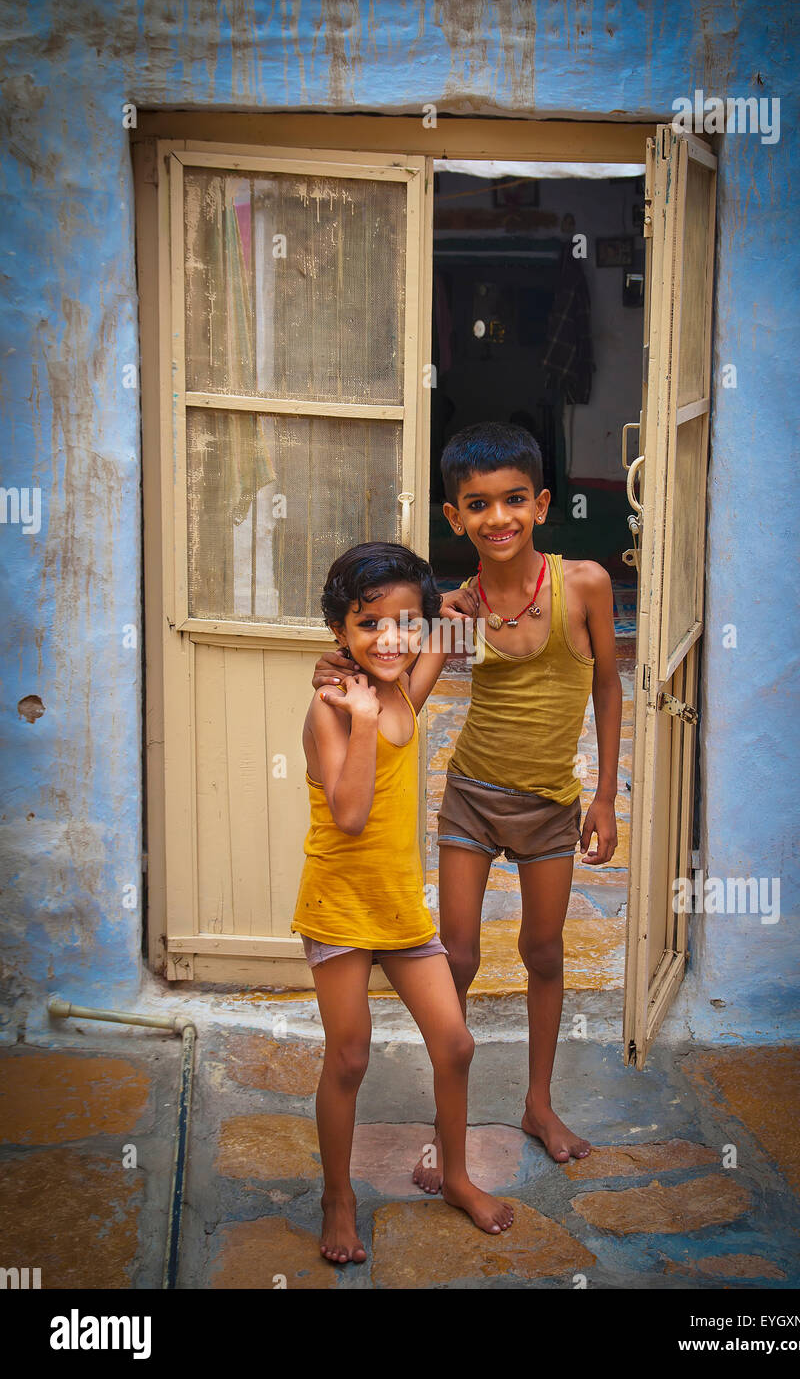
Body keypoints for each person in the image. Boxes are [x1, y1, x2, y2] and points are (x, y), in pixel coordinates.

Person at [312, 423, 621, 1190]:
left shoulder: (581, 583)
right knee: (458, 958)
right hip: (472, 801)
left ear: (541, 503)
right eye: (477, 505)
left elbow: (609, 687)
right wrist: (343, 668)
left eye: (514, 500)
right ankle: (443, 1143)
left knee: (543, 954)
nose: (498, 518)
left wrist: (606, 796)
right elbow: (396, 674)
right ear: (455, 518)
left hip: (551, 803)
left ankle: (538, 1105)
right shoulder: (455, 608)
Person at [294, 541, 515, 1265]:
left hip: (398, 911)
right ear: (339, 633)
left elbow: (447, 633)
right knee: (350, 1059)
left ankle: (453, 1176)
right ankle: (338, 1196)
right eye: (368, 624)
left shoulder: (399, 691)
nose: (390, 638)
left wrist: (452, 600)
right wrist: (357, 716)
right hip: (339, 908)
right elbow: (351, 814)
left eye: (404, 623)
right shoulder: (331, 708)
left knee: (455, 1044)